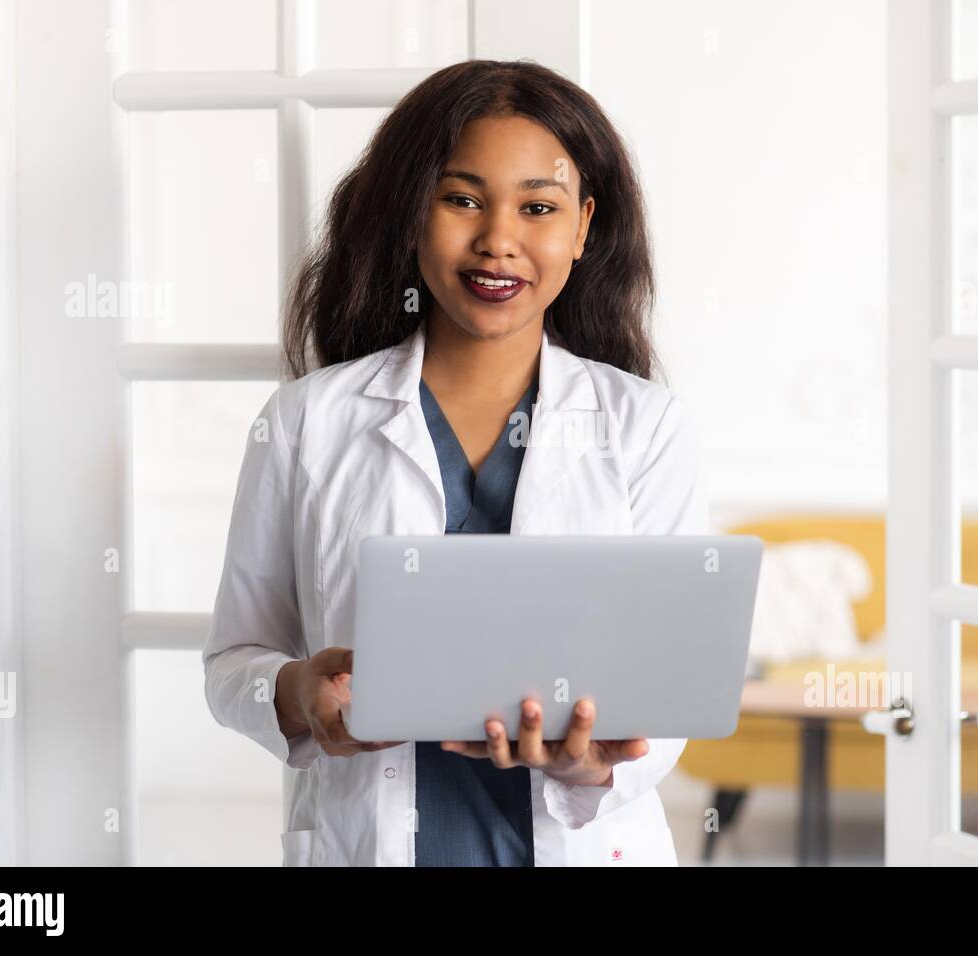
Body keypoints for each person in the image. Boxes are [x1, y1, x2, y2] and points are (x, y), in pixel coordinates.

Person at [202, 59, 707, 866]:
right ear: (412, 213)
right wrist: (296, 692)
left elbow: (675, 686)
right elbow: (234, 663)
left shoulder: (642, 426)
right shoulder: (306, 422)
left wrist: (591, 762)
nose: (497, 240)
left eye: (536, 208)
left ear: (581, 228)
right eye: (462, 199)